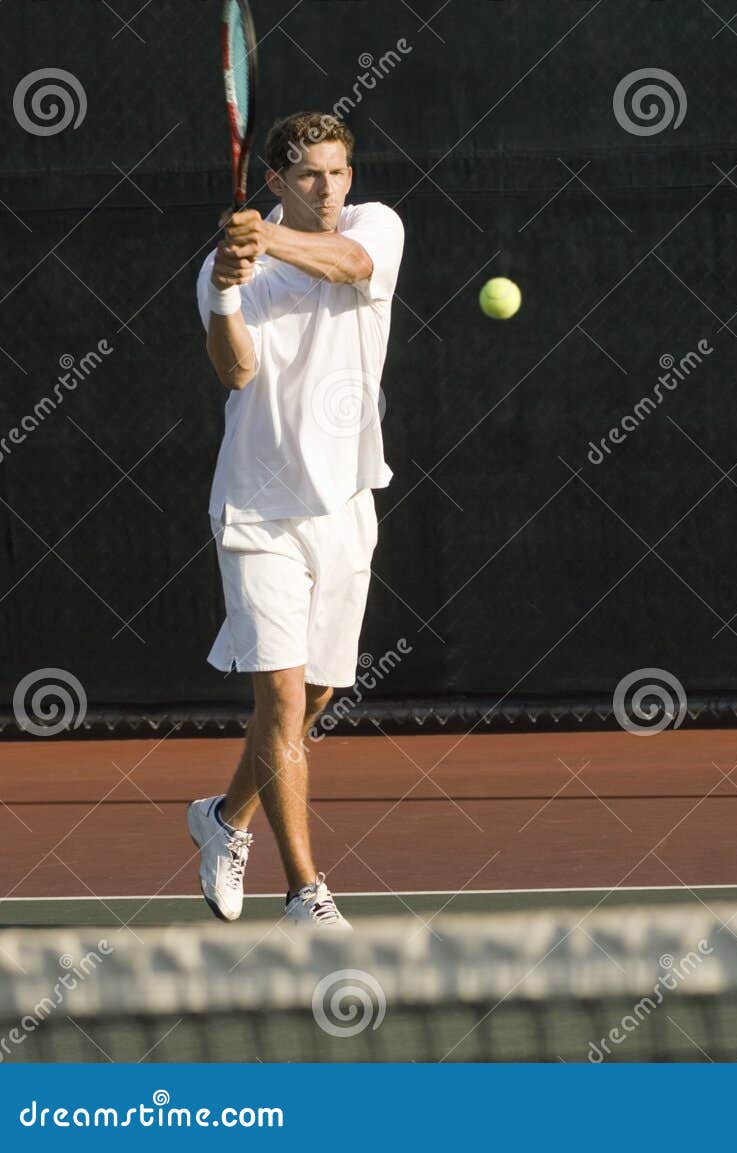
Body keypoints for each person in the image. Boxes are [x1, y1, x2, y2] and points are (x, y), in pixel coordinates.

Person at [188, 111, 404, 930]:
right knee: (279, 702)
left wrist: (266, 243)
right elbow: (237, 371)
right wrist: (228, 283)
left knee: (315, 696)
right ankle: (304, 892)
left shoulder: (374, 227)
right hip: (257, 512)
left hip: (346, 505)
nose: (328, 188)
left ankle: (223, 817)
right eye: (310, 175)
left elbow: (349, 265)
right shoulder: (228, 268)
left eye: (338, 172)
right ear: (275, 181)